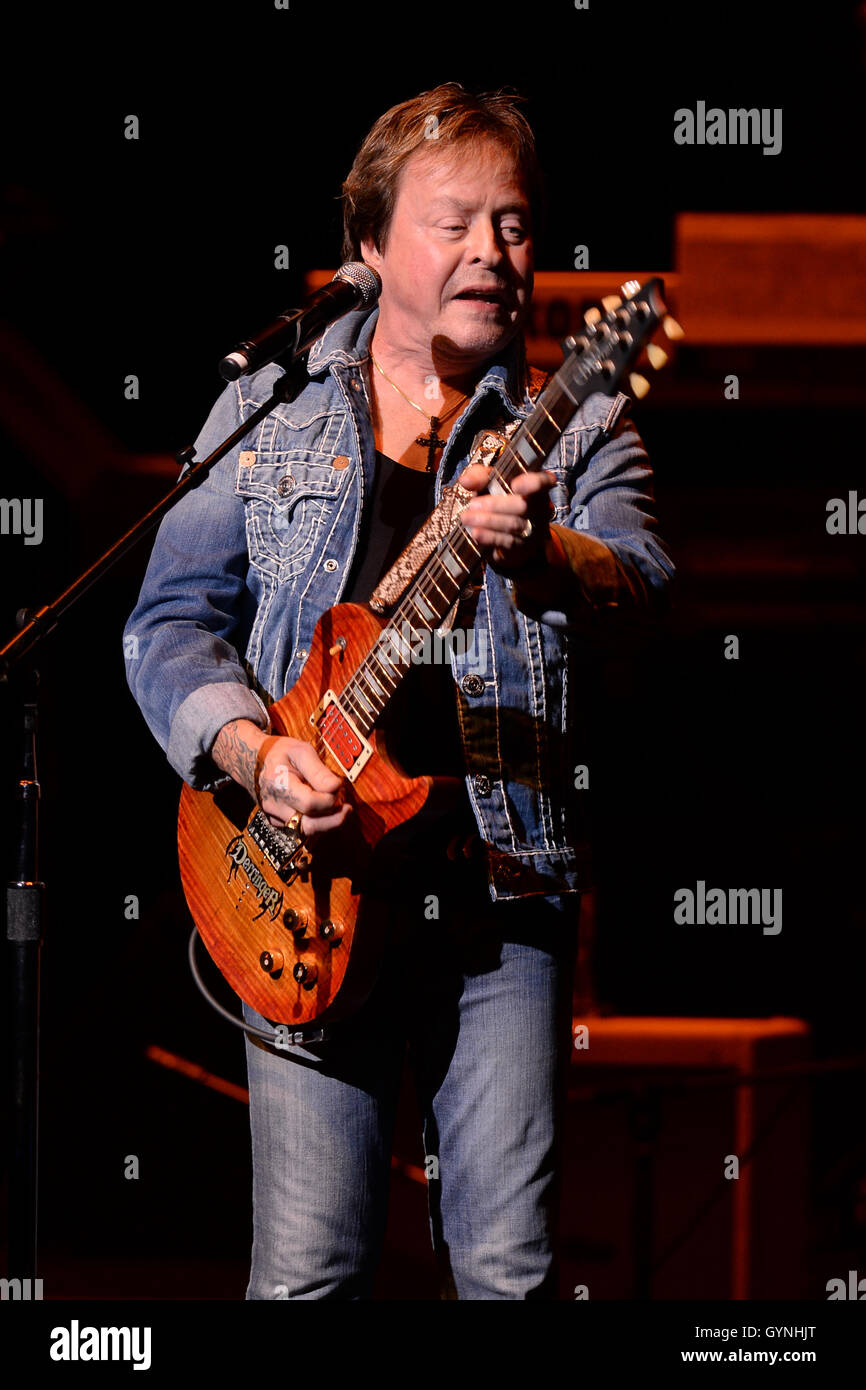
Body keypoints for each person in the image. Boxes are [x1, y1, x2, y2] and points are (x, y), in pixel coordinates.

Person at [123, 82, 674, 1300]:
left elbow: (641, 585)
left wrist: (542, 552)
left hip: (498, 901)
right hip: (305, 893)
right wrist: (255, 757)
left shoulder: (572, 428)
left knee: (506, 1272)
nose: (492, 250)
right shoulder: (265, 414)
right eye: (454, 220)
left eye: (515, 224)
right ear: (368, 249)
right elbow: (168, 624)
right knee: (308, 1271)